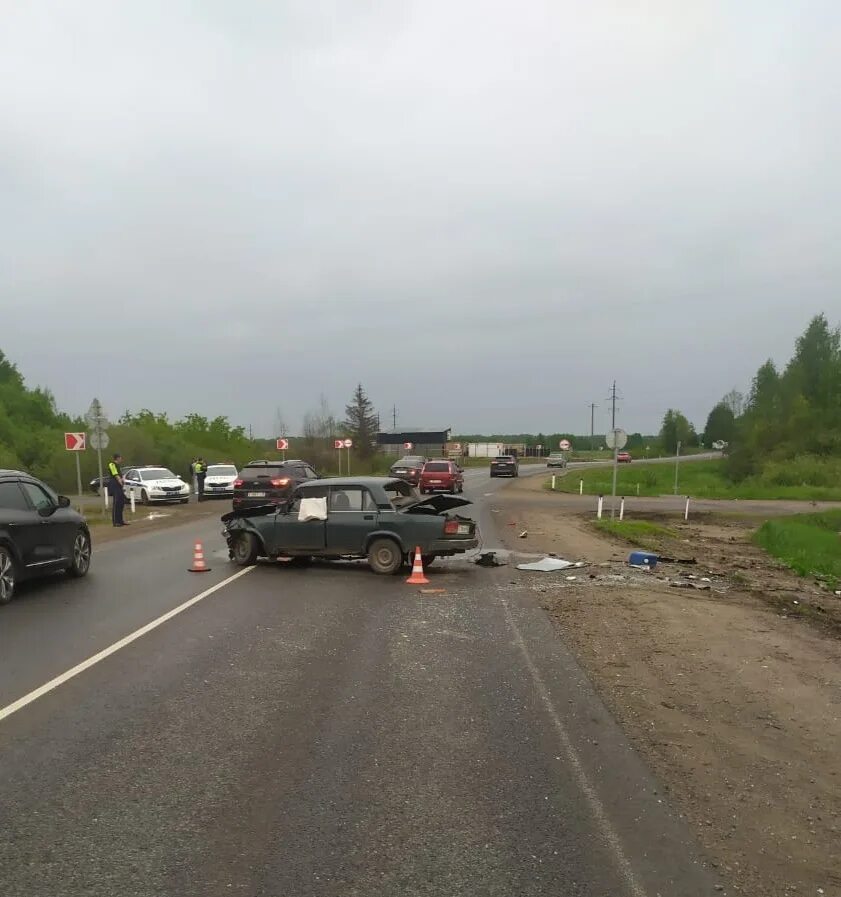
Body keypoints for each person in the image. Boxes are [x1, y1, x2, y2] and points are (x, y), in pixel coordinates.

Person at [108, 452, 128, 527]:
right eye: (120, 458)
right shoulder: (112, 464)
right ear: (117, 458)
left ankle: (120, 520)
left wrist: (123, 481)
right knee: (116, 502)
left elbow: (120, 474)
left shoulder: (118, 465)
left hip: (119, 484)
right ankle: (115, 522)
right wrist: (120, 481)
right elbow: (115, 474)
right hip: (114, 484)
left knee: (121, 502)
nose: (121, 459)